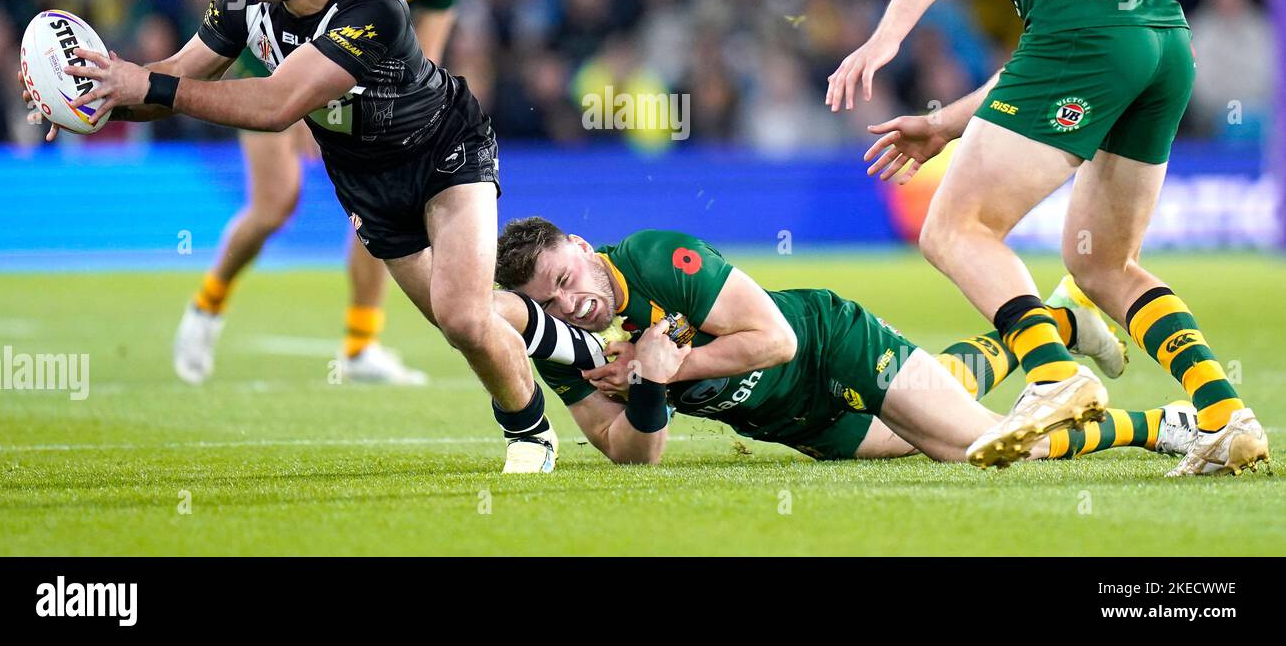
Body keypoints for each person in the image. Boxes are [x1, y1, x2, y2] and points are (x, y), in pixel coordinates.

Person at [25, 0, 603, 473]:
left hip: (443, 150)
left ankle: (530, 435)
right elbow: (172, 77)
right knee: (458, 316)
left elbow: (277, 105)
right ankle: (571, 344)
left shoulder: (372, 7)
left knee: (462, 314)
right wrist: (96, 98)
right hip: (366, 182)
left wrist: (143, 84)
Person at [826, 0, 1267, 475]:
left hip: (1087, 40)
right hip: (1162, 43)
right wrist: (944, 123)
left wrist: (886, 35)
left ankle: (1055, 377)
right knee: (1101, 263)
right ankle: (1225, 416)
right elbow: (1061, 44)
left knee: (955, 228)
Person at [492, 218, 1193, 466]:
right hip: (799, 424)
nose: (568, 304)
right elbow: (632, 453)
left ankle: (1161, 424)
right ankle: (1060, 323)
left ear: (580, 246)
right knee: (943, 399)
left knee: (978, 445)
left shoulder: (655, 257)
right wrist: (649, 386)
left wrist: (669, 366)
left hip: (830, 345)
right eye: (547, 303)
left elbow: (774, 340)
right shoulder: (564, 349)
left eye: (565, 279)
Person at [175, 0, 472, 385]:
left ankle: (360, 345)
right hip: (269, 65)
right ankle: (207, 307)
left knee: (387, 201)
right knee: (275, 205)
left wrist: (388, 116)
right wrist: (300, 106)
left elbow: (426, 51)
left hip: (356, 74)